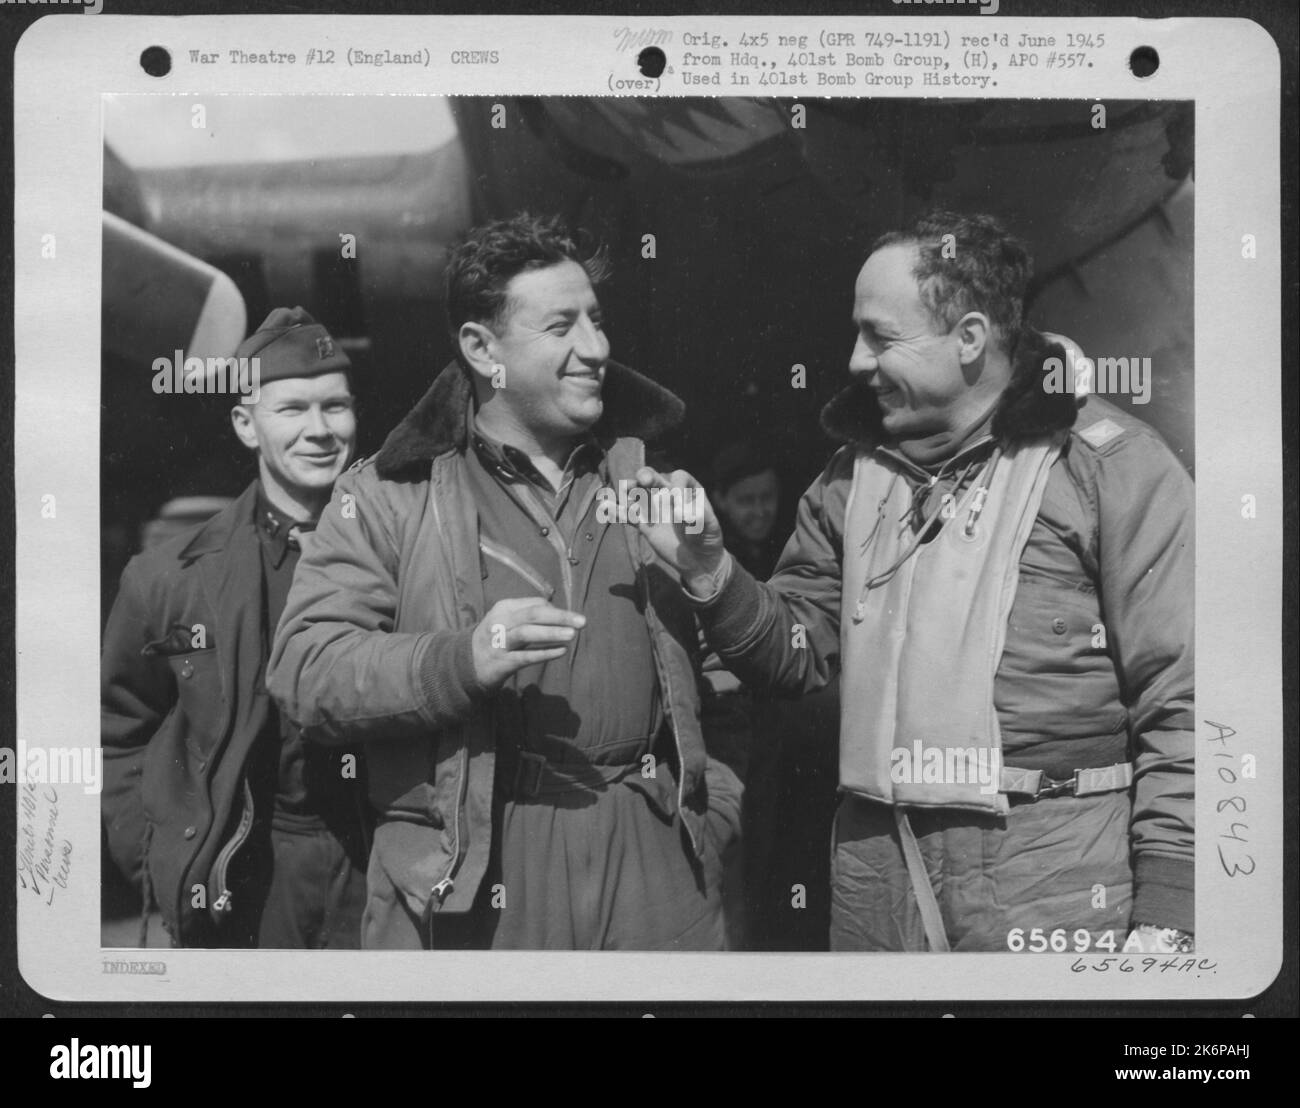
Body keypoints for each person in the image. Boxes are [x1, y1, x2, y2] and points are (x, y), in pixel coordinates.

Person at [635, 210, 1194, 953]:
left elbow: (1184, 696)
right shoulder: (846, 482)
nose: (856, 361)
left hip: (1054, 875)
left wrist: (1170, 912)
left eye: (880, 336)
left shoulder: (1113, 469)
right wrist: (711, 571)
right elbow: (796, 658)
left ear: (969, 338)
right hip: (874, 875)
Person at [267, 214, 741, 951]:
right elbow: (306, 668)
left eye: (597, 321)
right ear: (482, 349)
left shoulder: (648, 481)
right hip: (479, 868)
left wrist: (716, 815)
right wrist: (460, 660)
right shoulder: (388, 495)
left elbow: (726, 670)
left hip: (654, 867)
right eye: (561, 326)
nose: (596, 348)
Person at [102, 307, 369, 949]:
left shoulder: (402, 553)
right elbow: (119, 730)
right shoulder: (169, 579)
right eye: (292, 409)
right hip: (245, 878)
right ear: (246, 425)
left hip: (376, 869)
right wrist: (165, 863)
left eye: (335, 407)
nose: (319, 430)